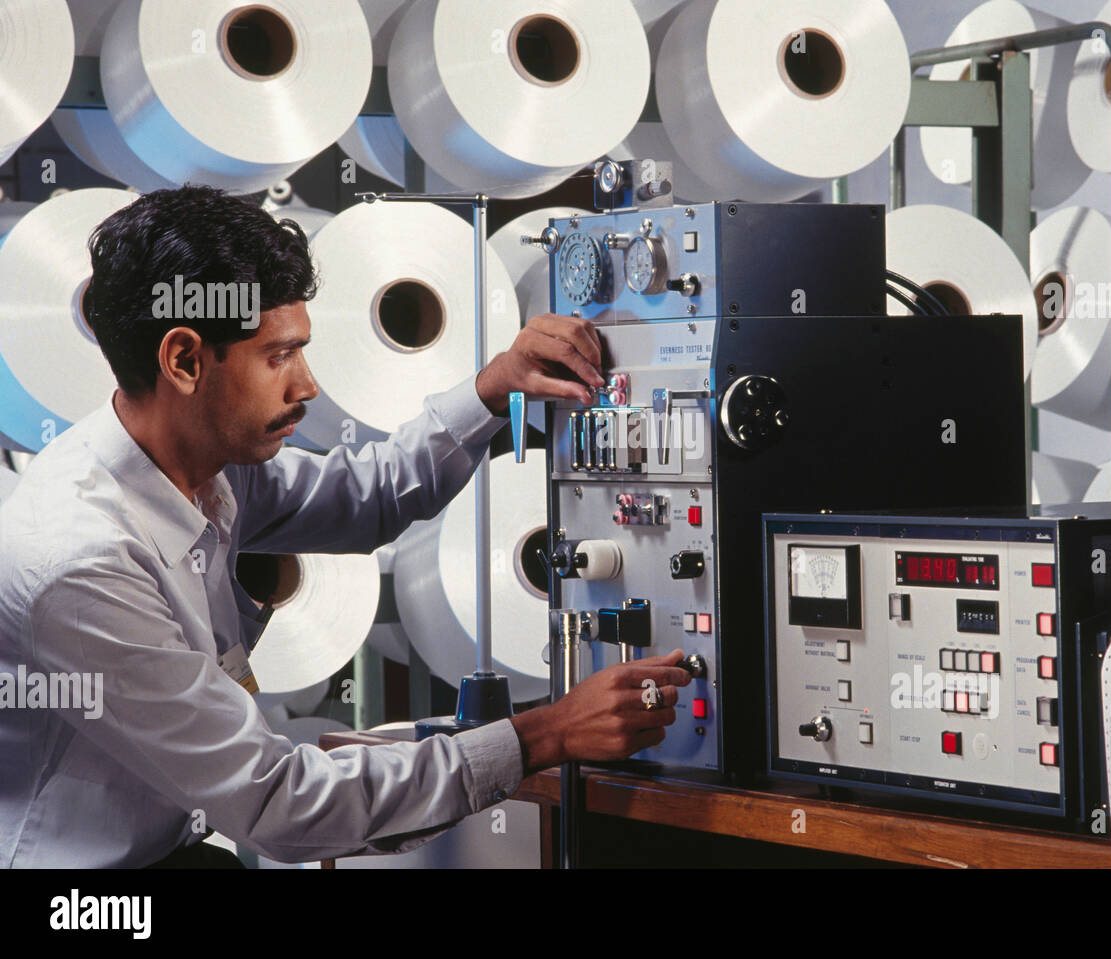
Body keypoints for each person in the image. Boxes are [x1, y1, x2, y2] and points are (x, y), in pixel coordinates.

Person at [0, 185, 688, 868]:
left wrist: (495, 386)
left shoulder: (199, 460)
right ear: (183, 360)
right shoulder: (82, 562)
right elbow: (280, 804)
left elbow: (365, 495)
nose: (307, 387)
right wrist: (546, 733)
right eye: (277, 357)